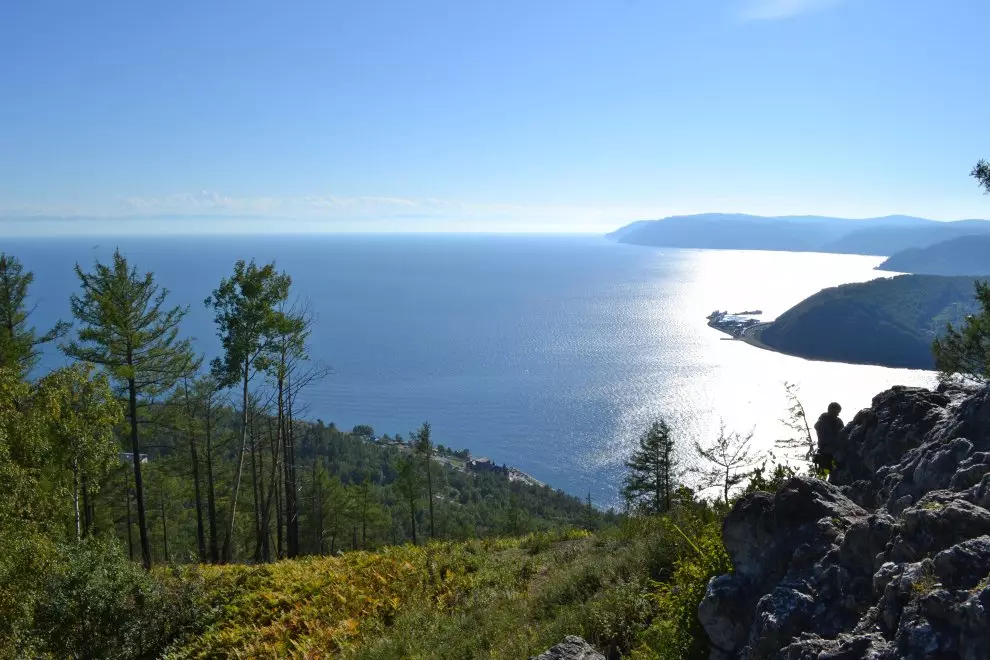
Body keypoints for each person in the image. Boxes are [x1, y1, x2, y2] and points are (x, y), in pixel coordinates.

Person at [813, 402, 843, 476]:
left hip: (836, 451)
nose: (837, 414)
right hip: (826, 450)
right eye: (836, 411)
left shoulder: (838, 421)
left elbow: (843, 434)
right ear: (830, 410)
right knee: (824, 474)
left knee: (835, 472)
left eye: (838, 411)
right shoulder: (823, 421)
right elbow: (821, 432)